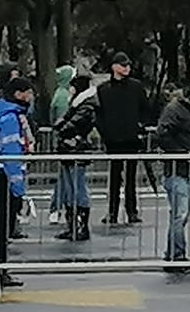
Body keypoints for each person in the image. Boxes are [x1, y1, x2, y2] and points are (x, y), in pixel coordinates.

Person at [0, 76, 34, 288]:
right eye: (29, 93)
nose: (31, 97)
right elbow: (11, 153)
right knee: (2, 226)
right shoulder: (9, 118)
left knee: (0, 224)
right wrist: (18, 186)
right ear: (19, 94)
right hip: (3, 174)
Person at [151, 79, 190, 272]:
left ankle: (174, 255)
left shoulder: (183, 111)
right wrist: (183, 153)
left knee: (180, 215)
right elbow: (162, 135)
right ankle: (177, 256)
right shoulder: (176, 111)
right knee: (180, 215)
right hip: (179, 170)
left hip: (186, 170)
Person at [96, 53, 147, 226]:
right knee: (114, 177)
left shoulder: (136, 87)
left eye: (128, 65)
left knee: (131, 177)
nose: (127, 68)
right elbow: (99, 114)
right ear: (114, 67)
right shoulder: (104, 89)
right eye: (123, 65)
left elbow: (145, 109)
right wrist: (105, 132)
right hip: (113, 139)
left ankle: (132, 211)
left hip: (131, 137)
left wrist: (140, 127)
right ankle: (112, 211)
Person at [52, 72, 99, 242]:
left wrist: (62, 127)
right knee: (69, 189)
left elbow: (73, 124)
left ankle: (81, 225)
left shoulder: (86, 106)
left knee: (78, 188)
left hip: (77, 149)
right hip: (69, 149)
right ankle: (71, 224)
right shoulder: (79, 104)